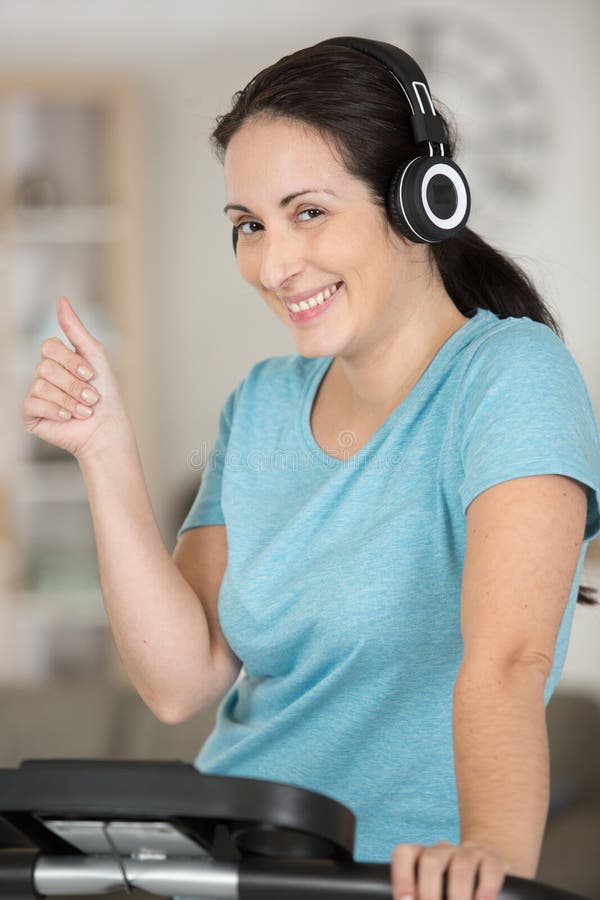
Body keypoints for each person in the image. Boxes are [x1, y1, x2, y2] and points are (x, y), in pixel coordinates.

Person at [21, 36, 600, 900]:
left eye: (308, 212)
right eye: (249, 226)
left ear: (419, 204)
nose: (274, 262)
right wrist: (105, 453)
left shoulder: (508, 378)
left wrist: (487, 852)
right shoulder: (260, 404)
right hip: (228, 864)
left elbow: (508, 660)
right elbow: (181, 681)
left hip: (393, 878)